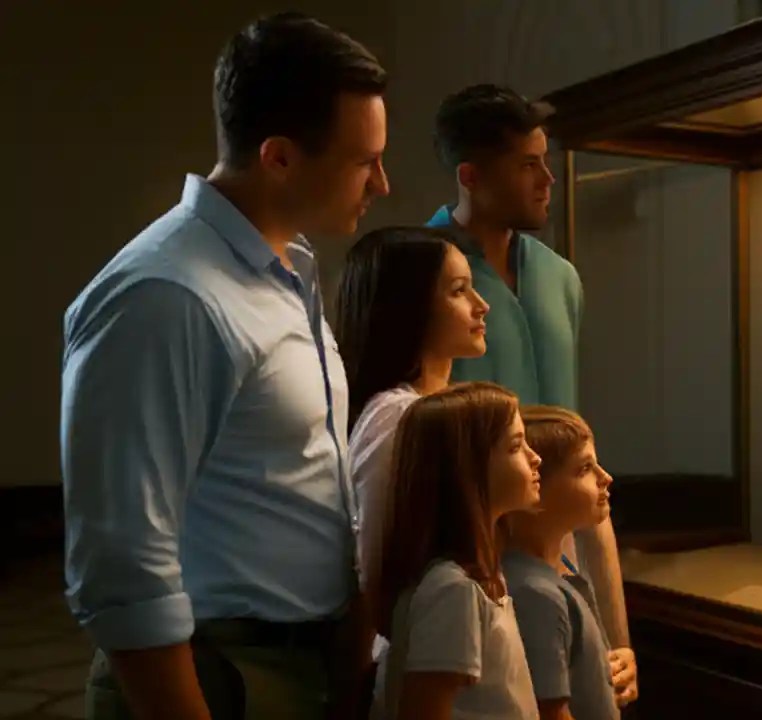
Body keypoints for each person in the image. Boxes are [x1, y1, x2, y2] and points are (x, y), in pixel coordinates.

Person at [59, 12, 388, 720]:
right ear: (278, 158)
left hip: (297, 666)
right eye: (365, 161)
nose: (383, 184)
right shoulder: (165, 296)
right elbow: (120, 565)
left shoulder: (290, 270)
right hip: (213, 677)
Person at [427, 83, 638, 706]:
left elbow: (581, 459)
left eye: (546, 160)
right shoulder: (420, 275)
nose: (548, 179)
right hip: (471, 585)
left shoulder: (559, 277)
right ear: (470, 175)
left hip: (561, 572)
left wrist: (618, 640)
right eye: (527, 164)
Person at [333, 226, 489, 702]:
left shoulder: (441, 409)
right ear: (410, 307)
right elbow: (378, 574)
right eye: (459, 291)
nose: (481, 305)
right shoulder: (398, 417)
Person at [374, 382, 543, 720]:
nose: (535, 457)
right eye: (515, 446)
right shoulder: (452, 591)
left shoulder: (483, 582)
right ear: (468, 469)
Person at [504, 406, 625, 720]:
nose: (605, 478)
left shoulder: (560, 573)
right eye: (585, 468)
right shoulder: (535, 594)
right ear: (535, 488)